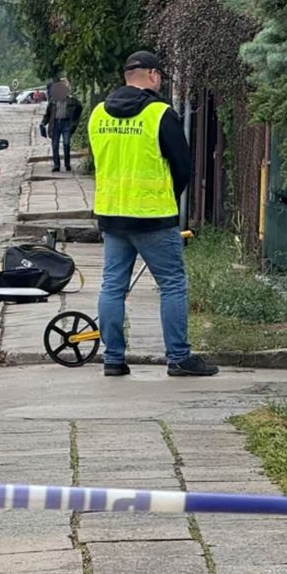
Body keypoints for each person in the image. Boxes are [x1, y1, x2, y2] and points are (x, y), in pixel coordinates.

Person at [88, 50, 217, 378]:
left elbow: (101, 160)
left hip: (113, 214)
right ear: (154, 75)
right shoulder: (160, 114)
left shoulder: (98, 114)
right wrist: (167, 197)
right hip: (153, 216)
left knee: (112, 286)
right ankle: (178, 357)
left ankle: (112, 358)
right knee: (172, 284)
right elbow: (183, 166)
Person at [41, 78, 83, 173]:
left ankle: (67, 164)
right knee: (55, 145)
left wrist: (74, 121)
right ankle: (56, 165)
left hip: (66, 123)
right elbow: (47, 114)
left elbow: (79, 108)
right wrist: (43, 123)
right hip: (55, 124)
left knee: (66, 144)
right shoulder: (53, 101)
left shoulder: (71, 100)